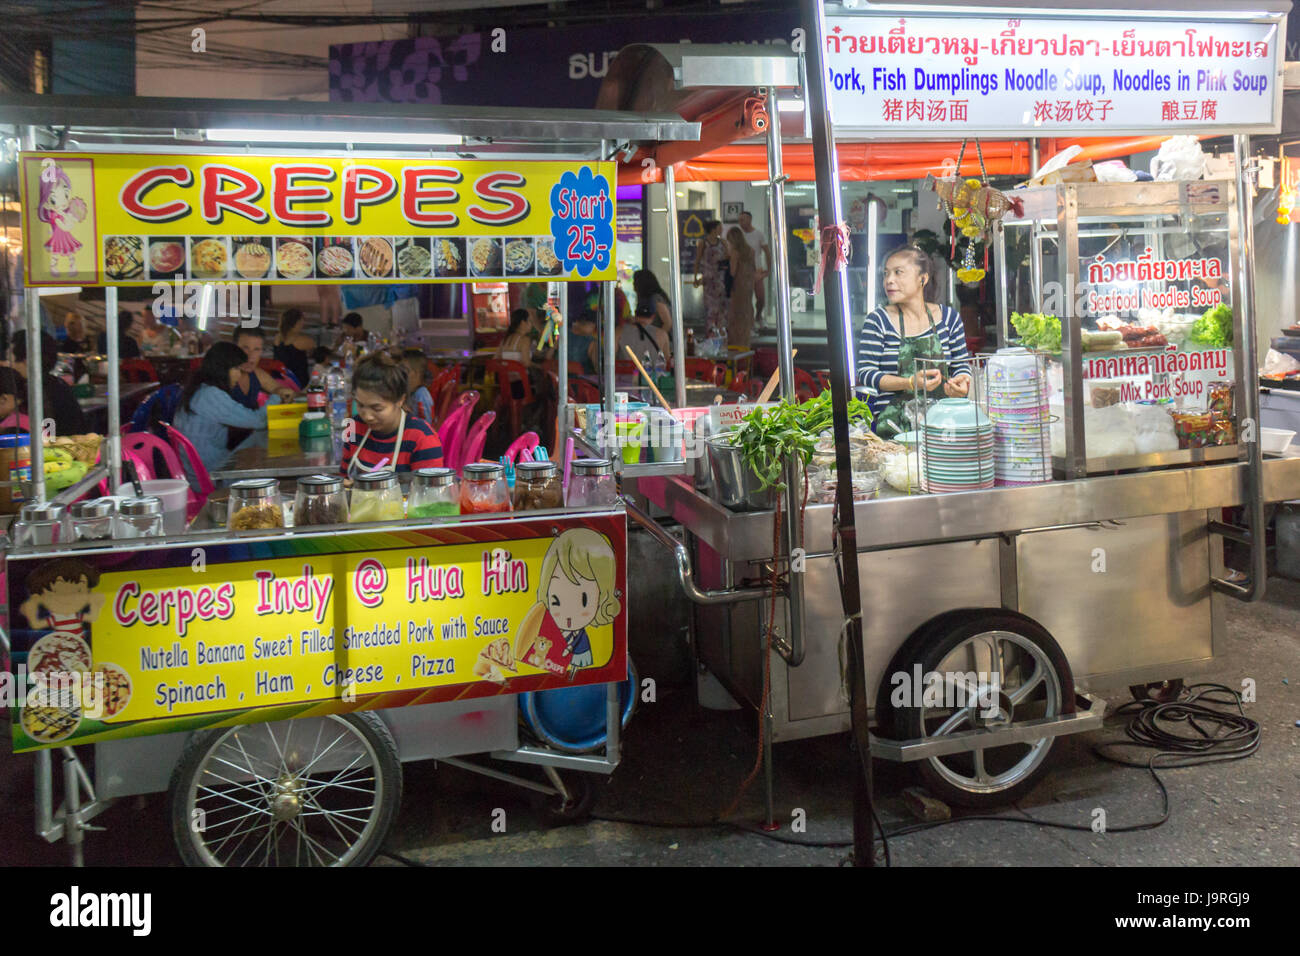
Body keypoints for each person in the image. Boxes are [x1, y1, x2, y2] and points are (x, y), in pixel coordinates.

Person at [856, 243, 972, 439]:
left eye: (898, 272)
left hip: (943, 427)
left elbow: (961, 365)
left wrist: (962, 383)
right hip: (893, 431)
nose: (889, 280)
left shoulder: (949, 318)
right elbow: (866, 373)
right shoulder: (878, 321)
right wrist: (909, 382)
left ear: (922, 279)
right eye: (886, 274)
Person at [173, 342, 281, 473]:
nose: (239, 375)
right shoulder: (210, 395)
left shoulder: (200, 388)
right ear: (222, 368)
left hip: (198, 469)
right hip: (210, 474)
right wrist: (277, 396)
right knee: (264, 443)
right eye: (236, 369)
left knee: (259, 442)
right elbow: (259, 421)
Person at [341, 349, 444, 476]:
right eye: (361, 405)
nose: (367, 416)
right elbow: (344, 477)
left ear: (400, 400)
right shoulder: (352, 426)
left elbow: (429, 493)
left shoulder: (422, 438)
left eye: (377, 408)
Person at [13, 332, 90, 436]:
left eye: (9, 356)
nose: (4, 362)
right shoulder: (56, 384)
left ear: (26, 360)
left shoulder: (38, 391)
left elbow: (49, 436)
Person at [231, 327, 296, 410]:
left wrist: (282, 392)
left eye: (256, 349)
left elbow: (277, 389)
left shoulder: (257, 374)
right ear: (233, 347)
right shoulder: (222, 375)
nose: (250, 355)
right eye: (245, 348)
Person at [692, 220, 728, 336]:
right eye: (719, 227)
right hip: (708, 278)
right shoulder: (703, 243)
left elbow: (728, 256)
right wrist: (696, 276)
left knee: (721, 307)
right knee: (710, 307)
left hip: (720, 278)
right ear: (713, 229)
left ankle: (720, 331)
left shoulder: (722, 242)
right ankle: (710, 332)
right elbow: (698, 260)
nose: (721, 230)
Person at [725, 226, 757, 349]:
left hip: (737, 287)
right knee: (746, 315)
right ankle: (745, 344)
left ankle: (735, 345)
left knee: (735, 317)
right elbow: (753, 269)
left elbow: (732, 272)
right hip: (748, 286)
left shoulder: (735, 253)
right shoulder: (751, 251)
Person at [737, 210, 771, 320]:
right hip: (743, 270)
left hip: (757, 270)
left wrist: (768, 269)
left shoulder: (759, 234)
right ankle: (750, 320)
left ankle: (759, 315)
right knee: (746, 298)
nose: (741, 222)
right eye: (739, 220)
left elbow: (767, 252)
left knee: (760, 297)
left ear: (749, 220)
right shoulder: (739, 235)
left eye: (743, 220)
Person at [617, 302, 672, 368]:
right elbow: (667, 362)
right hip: (651, 377)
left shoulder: (619, 331)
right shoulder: (662, 335)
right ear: (653, 316)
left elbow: (610, 358)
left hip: (625, 376)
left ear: (635, 313)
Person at [272, 308, 314, 389]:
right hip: (298, 382)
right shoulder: (303, 341)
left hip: (279, 379)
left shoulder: (277, 338)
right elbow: (320, 353)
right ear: (298, 322)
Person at [402, 349, 435, 421]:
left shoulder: (422, 395)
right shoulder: (411, 392)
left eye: (405, 370)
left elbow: (426, 424)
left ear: (417, 374)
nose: (401, 374)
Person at [567, 310, 600, 376]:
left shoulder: (564, 334)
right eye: (593, 326)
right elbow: (597, 367)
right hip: (581, 382)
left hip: (559, 380)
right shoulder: (591, 342)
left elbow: (548, 356)